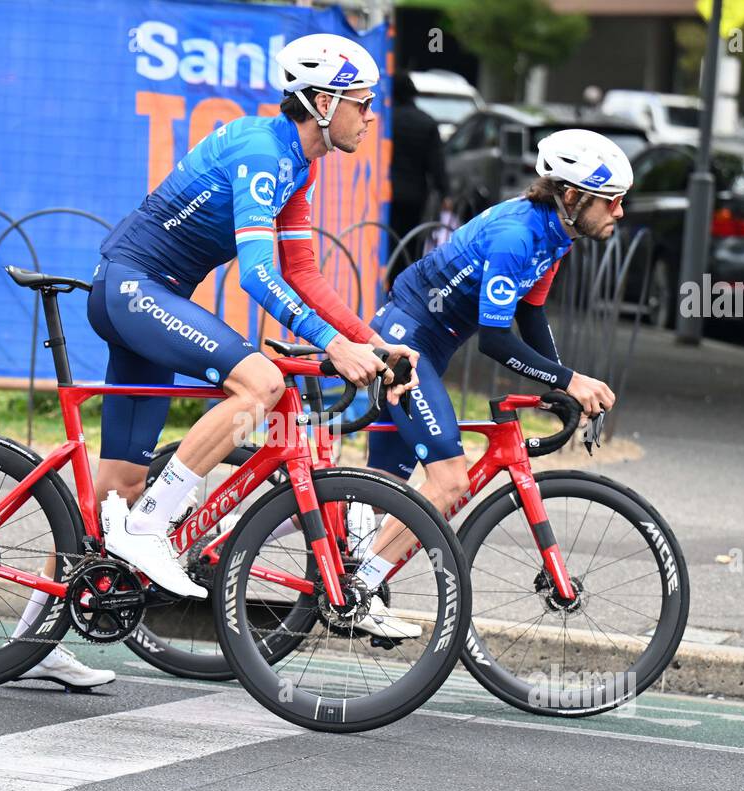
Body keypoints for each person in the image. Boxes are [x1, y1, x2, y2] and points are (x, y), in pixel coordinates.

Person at [83, 33, 418, 637]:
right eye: (361, 102)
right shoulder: (264, 151)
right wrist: (334, 345)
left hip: (147, 295)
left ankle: (40, 632)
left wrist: (370, 340)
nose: (371, 116)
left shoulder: (298, 161)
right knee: (259, 382)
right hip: (133, 289)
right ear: (321, 102)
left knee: (118, 485)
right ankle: (151, 526)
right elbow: (258, 278)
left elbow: (302, 274)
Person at [359, 129, 631, 636]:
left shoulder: (555, 236)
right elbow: (495, 342)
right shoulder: (518, 236)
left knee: (380, 498)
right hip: (408, 338)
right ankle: (359, 591)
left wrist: (556, 390)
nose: (619, 212)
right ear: (572, 197)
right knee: (449, 480)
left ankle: (338, 562)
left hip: (433, 343)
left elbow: (531, 316)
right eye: (611, 201)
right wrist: (570, 381)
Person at [388, 71, 449, 281]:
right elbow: (436, 165)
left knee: (385, 243)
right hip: (414, 195)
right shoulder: (427, 122)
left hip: (383, 194)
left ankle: (384, 282)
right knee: (410, 244)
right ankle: (403, 286)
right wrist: (444, 192)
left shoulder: (385, 121)